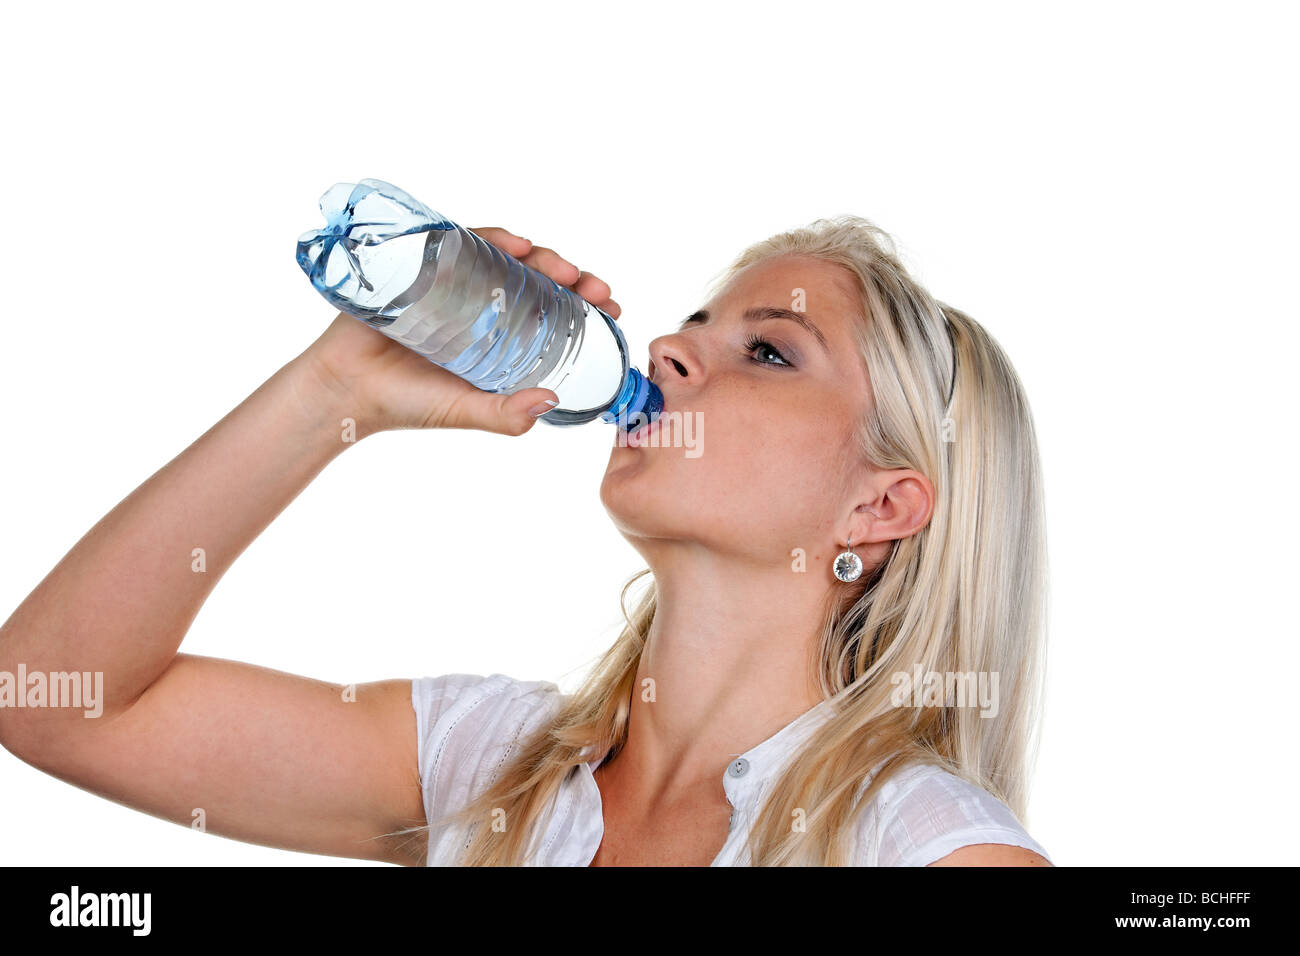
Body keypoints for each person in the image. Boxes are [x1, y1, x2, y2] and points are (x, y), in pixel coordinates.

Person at [0, 217, 1052, 867]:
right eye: (695, 322)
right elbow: (56, 697)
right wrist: (335, 391)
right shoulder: (489, 766)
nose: (672, 348)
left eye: (769, 351)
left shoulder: (919, 846)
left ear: (881, 507)